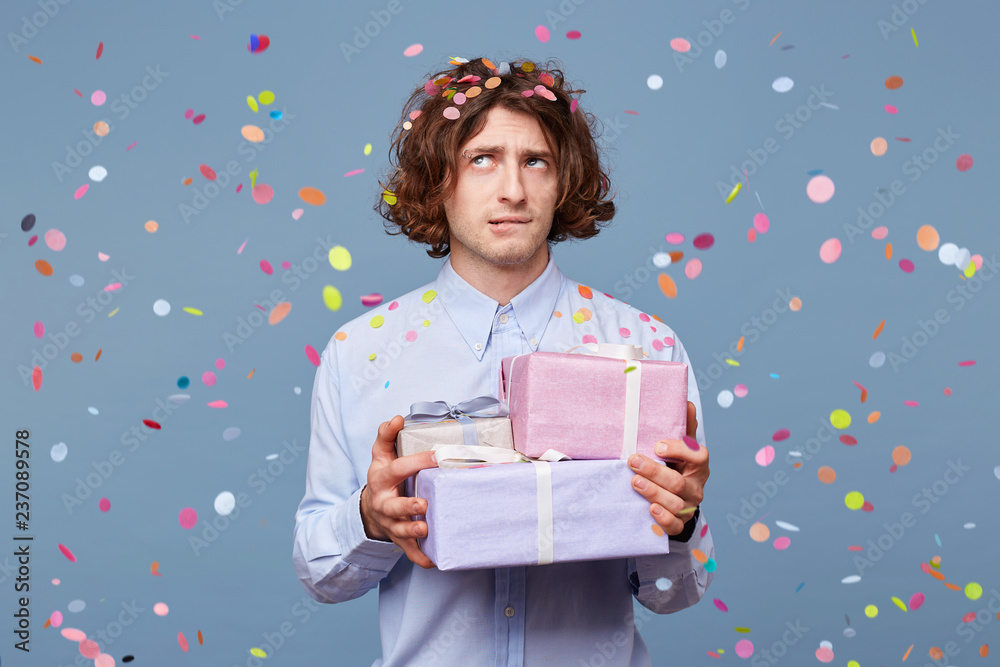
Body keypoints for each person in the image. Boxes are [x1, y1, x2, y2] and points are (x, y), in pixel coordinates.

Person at [292, 56, 714, 667]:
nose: (512, 189)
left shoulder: (647, 348)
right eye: (481, 158)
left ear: (563, 180)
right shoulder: (359, 353)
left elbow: (678, 594)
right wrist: (370, 517)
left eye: (534, 161)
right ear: (440, 178)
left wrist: (679, 525)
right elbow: (319, 574)